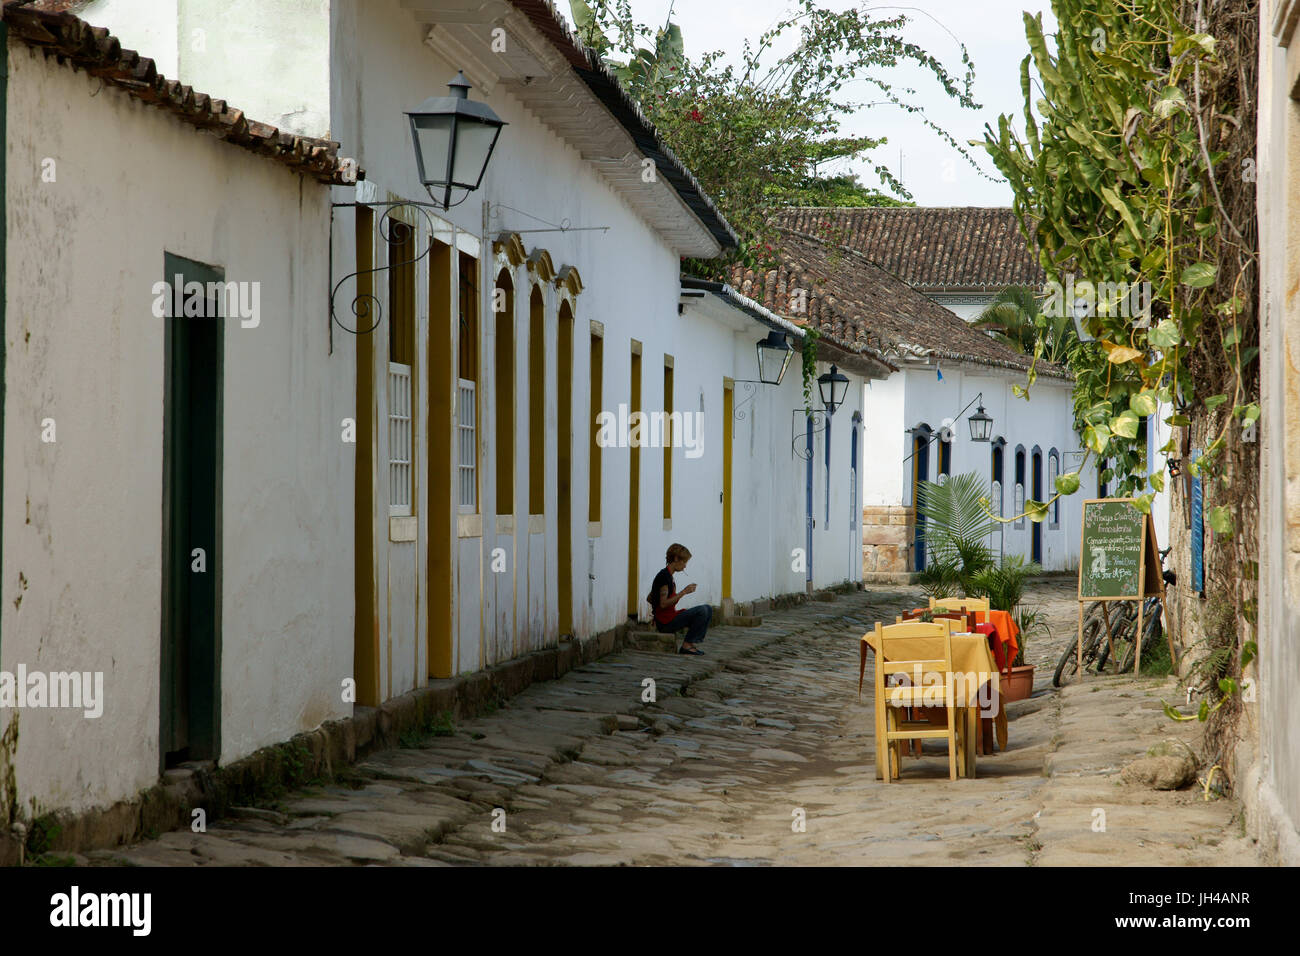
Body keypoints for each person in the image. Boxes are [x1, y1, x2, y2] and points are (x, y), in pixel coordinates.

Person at [647, 543, 712, 655]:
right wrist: (684, 592)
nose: (685, 566)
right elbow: (663, 604)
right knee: (703, 611)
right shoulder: (664, 577)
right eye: (684, 562)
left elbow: (650, 598)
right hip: (665, 623)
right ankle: (687, 645)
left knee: (708, 609)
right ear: (676, 558)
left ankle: (690, 643)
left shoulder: (667, 576)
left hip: (669, 617)